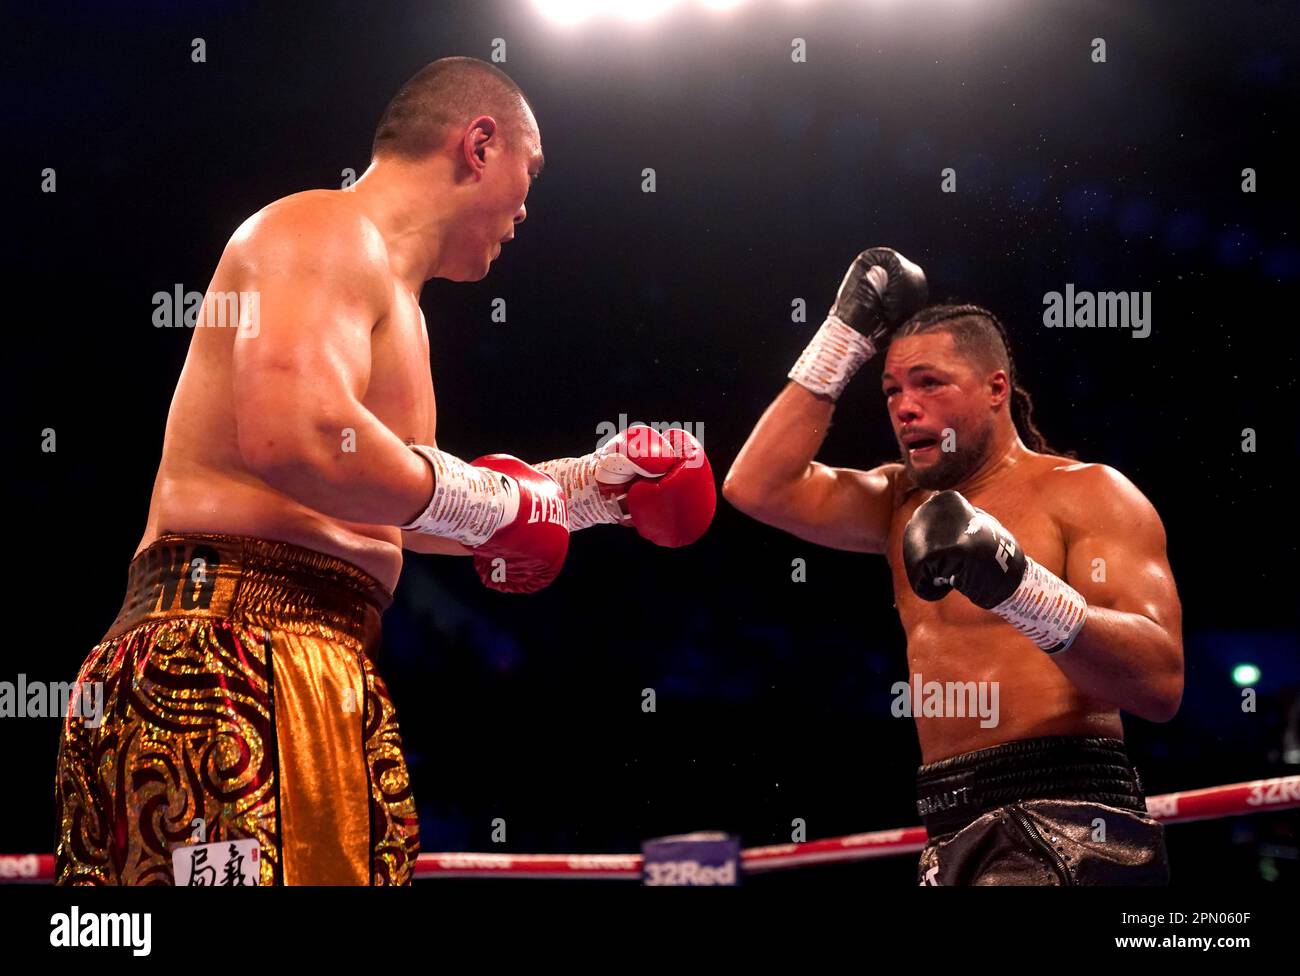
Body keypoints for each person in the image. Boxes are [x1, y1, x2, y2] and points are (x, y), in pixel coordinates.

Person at [55, 57, 714, 886]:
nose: (524, 206)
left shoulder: (402, 311)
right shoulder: (319, 229)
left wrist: (582, 493)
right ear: (479, 143)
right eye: (528, 171)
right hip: (227, 655)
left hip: (306, 655)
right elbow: (295, 439)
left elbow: (376, 502)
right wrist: (491, 502)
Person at [723, 247, 1182, 884]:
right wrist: (843, 335)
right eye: (891, 390)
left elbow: (1159, 683)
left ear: (997, 388)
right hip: (949, 823)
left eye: (929, 383)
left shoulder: (1089, 493)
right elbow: (756, 486)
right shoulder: (897, 504)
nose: (904, 406)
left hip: (1069, 820)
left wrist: (1018, 587)